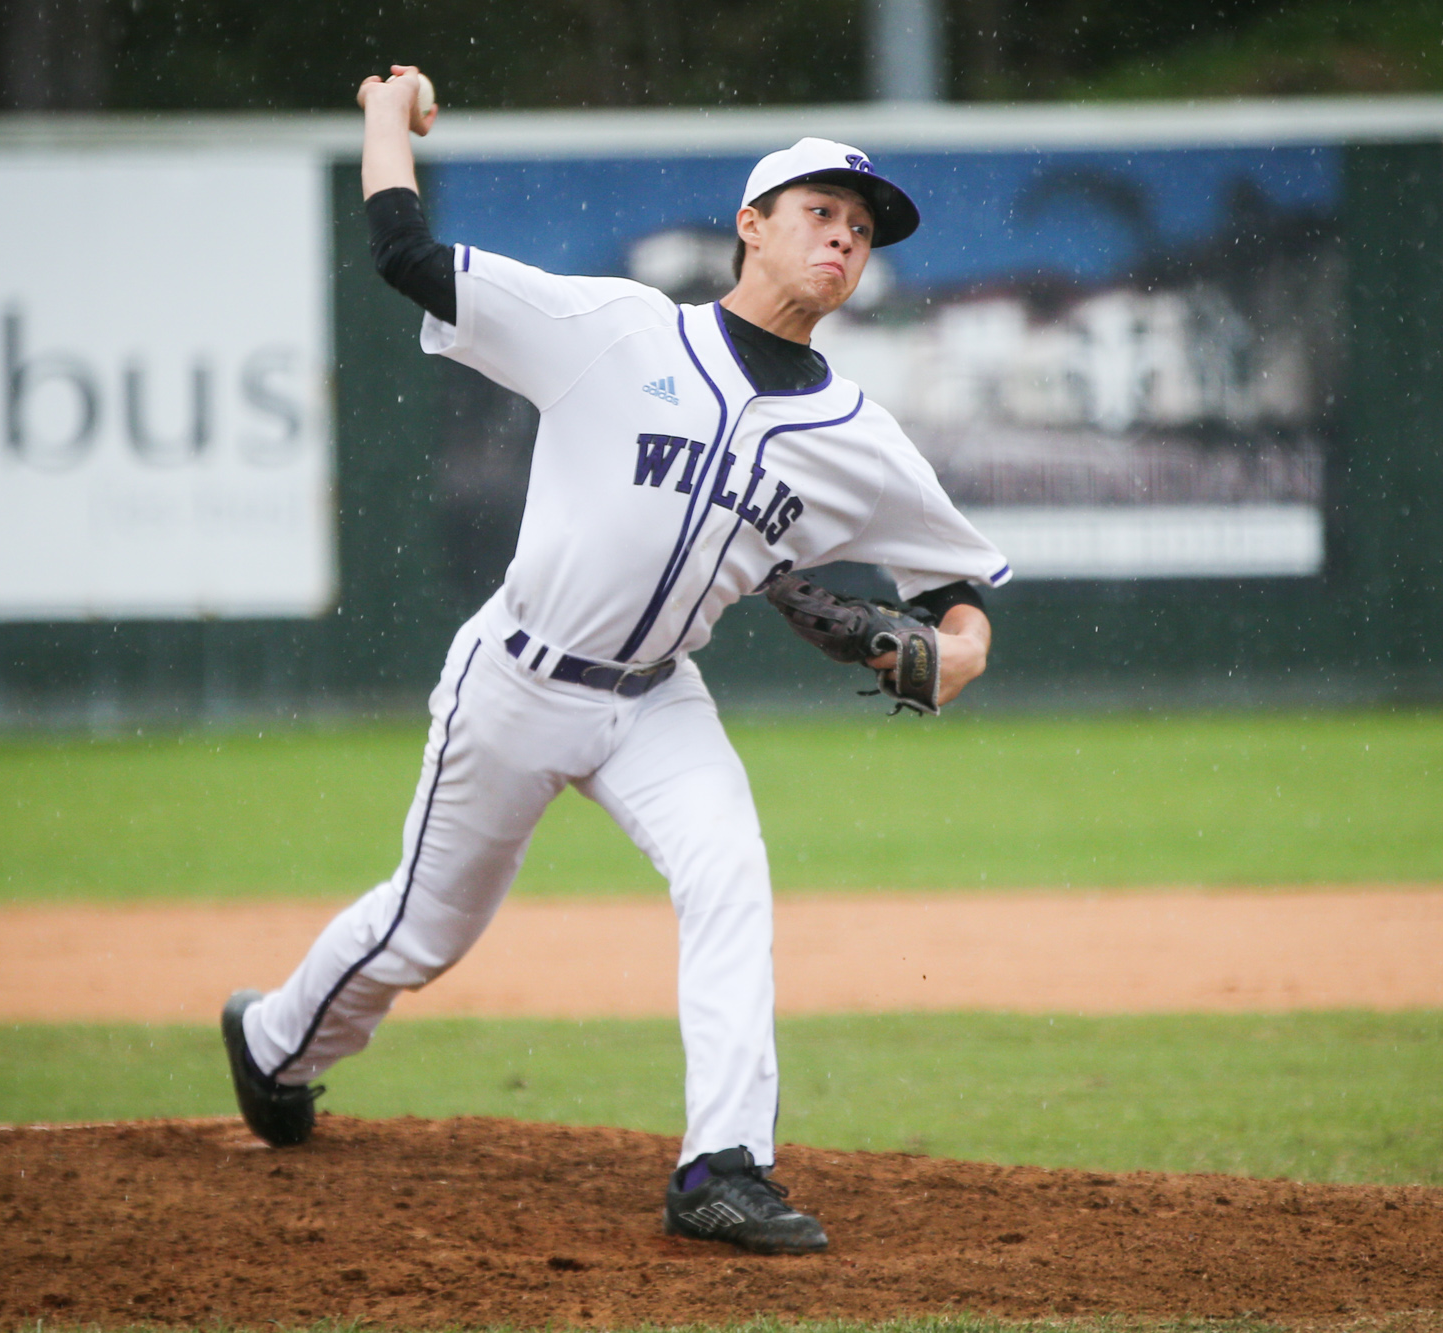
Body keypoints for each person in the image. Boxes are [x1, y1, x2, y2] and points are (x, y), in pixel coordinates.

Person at [220, 65, 1011, 1257]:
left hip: (658, 703)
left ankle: (721, 1169)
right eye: (819, 214)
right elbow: (405, 256)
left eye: (859, 229)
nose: (842, 239)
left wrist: (954, 658)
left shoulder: (859, 441)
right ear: (750, 226)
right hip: (516, 679)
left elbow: (955, 592)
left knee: (730, 878)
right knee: (423, 934)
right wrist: (386, 120)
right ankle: (276, 1041)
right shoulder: (618, 328)